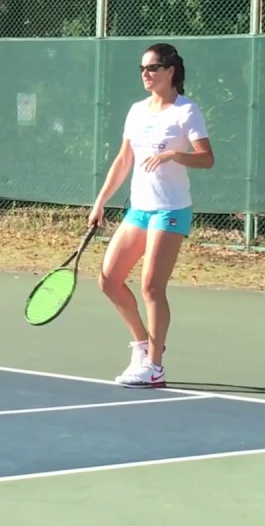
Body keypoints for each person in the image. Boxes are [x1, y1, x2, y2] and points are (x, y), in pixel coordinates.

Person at [88, 42, 214, 388]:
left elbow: (206, 158)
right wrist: (100, 202)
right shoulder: (136, 111)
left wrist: (174, 155)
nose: (145, 73)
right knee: (108, 280)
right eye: (142, 68)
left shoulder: (186, 111)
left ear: (170, 71)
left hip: (170, 209)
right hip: (139, 209)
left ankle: (155, 367)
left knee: (151, 287)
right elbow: (123, 160)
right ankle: (142, 345)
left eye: (153, 67)